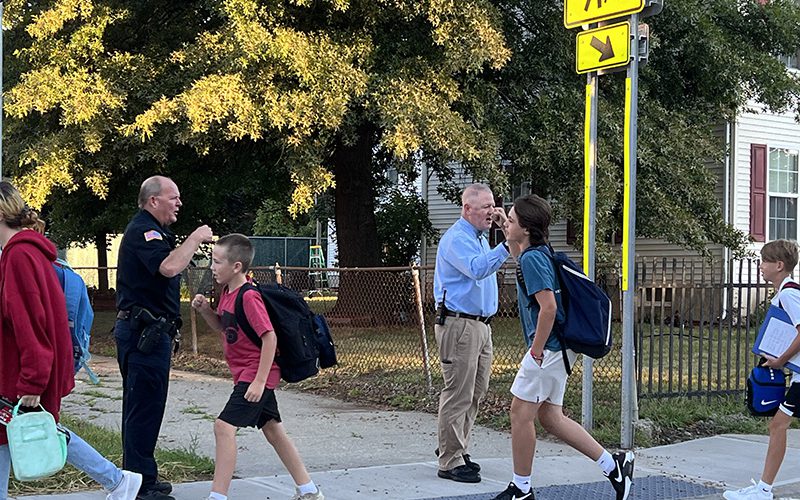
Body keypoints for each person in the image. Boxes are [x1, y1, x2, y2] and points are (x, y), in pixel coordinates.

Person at [0, 181, 142, 500]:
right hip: (20, 371)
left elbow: (30, 325)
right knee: (28, 432)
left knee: (31, 432)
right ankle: (118, 481)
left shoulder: (19, 257)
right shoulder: (28, 253)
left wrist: (33, 382)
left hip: (20, 374)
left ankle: (118, 481)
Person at [492, 194, 634, 500]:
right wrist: (506, 226)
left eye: (513, 220)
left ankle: (521, 488)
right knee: (551, 417)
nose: (509, 223)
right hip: (559, 348)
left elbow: (549, 308)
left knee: (520, 413)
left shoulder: (534, 259)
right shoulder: (537, 252)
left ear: (527, 229)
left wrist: (536, 350)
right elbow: (519, 259)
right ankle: (614, 466)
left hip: (549, 348)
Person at [191, 234, 323, 500]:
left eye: (217, 262)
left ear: (236, 266)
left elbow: (269, 337)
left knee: (223, 427)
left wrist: (260, 381)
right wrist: (206, 311)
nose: (212, 267)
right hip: (246, 374)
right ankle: (309, 490)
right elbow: (224, 328)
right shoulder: (228, 293)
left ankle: (217, 496)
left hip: (256, 374)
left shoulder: (249, 296)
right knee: (273, 429)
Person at [115, 176, 213, 500]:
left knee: (145, 406)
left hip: (150, 333)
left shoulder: (155, 232)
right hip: (144, 333)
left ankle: (140, 477)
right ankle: (140, 487)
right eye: (174, 197)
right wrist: (197, 236)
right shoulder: (145, 231)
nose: (179, 203)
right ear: (154, 200)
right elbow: (169, 267)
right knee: (143, 408)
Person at [433, 183, 510, 483]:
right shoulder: (457, 239)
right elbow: (478, 269)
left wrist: (506, 231)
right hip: (459, 324)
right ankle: (449, 460)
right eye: (486, 207)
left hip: (481, 325)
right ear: (467, 209)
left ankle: (458, 448)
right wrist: (505, 244)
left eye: (493, 205)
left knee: (476, 392)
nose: (492, 211)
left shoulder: (479, 238)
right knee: (458, 393)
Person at [723, 239, 800, 500]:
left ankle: (764, 491)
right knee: (778, 425)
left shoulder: (789, 294)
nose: (760, 266)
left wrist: (780, 360)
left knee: (778, 425)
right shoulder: (785, 293)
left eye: (764, 261)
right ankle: (763, 489)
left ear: (779, 265)